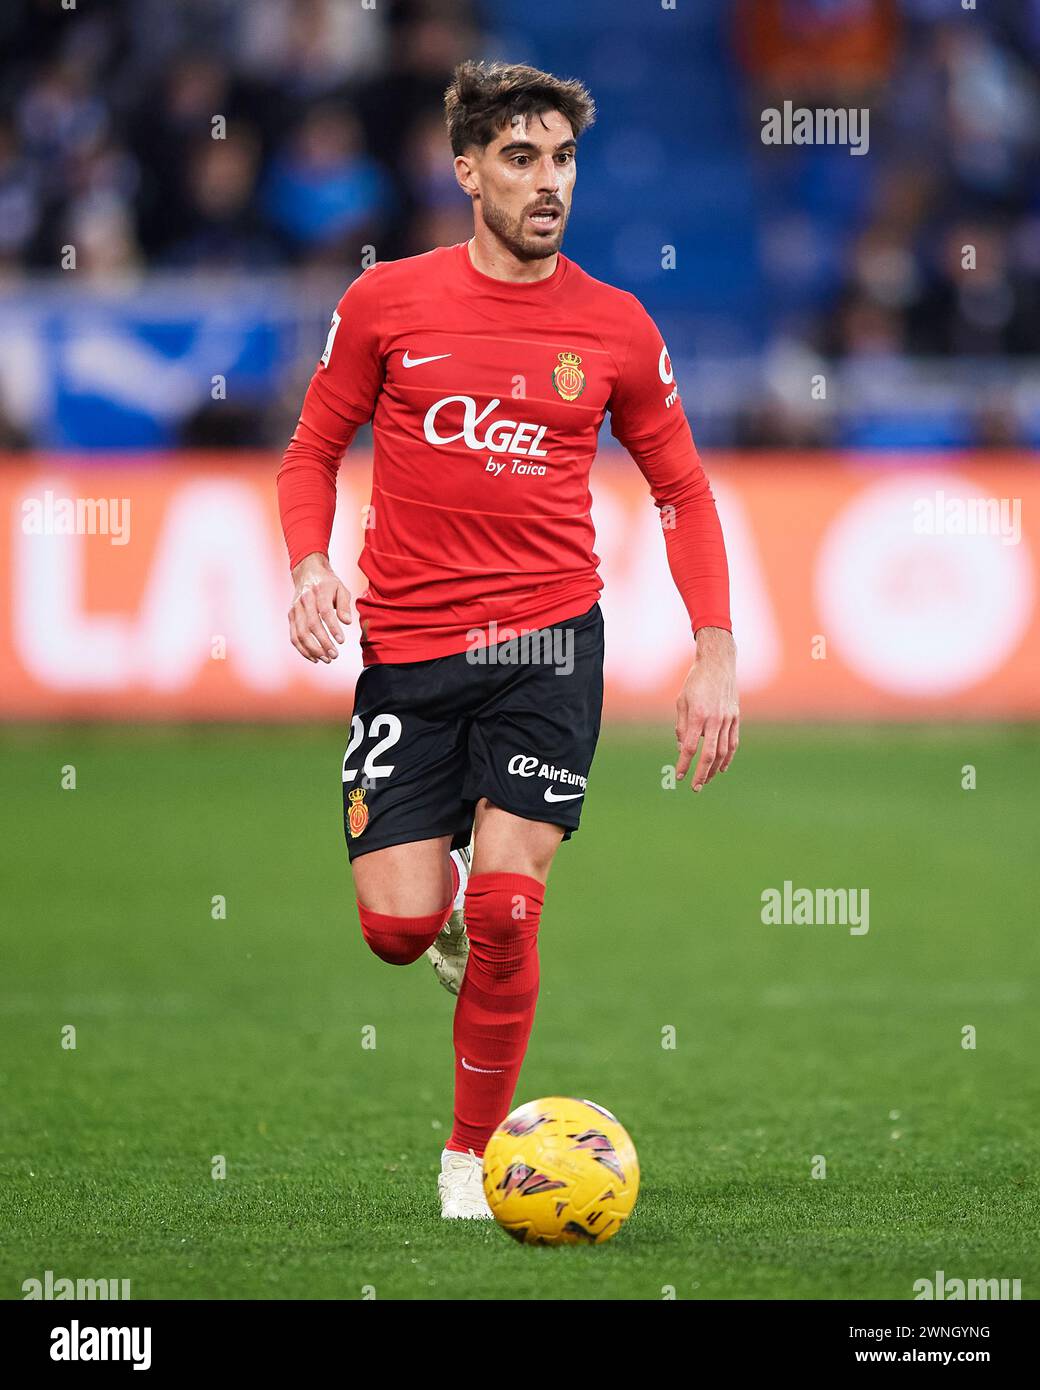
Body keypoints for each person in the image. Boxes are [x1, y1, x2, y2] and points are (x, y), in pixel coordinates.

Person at [277, 60, 739, 1220]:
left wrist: (715, 649)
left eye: (564, 159)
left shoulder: (616, 327)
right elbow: (310, 451)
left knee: (505, 907)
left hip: (546, 647)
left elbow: (681, 491)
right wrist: (310, 561)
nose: (548, 184)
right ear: (466, 169)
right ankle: (436, 920)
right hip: (409, 649)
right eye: (522, 159)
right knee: (395, 930)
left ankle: (467, 1158)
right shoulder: (385, 304)